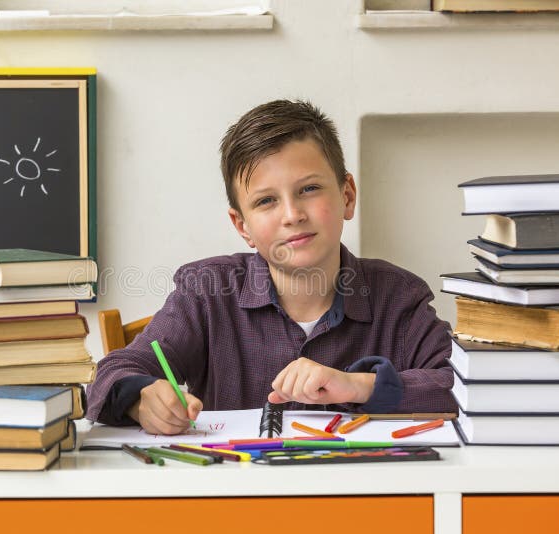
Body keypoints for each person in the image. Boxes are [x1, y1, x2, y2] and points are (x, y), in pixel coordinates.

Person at [85, 100, 456, 435]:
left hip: (361, 498)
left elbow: (463, 387)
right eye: (266, 201)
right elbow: (113, 372)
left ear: (347, 196)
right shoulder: (207, 291)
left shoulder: (398, 297)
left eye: (309, 189)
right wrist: (141, 399)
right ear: (242, 226)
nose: (293, 215)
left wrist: (361, 385)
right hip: (236, 499)